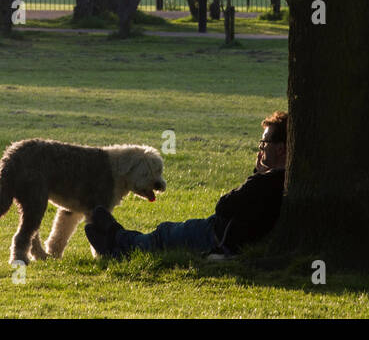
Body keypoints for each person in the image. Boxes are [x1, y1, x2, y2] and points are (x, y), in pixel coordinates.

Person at [85, 111, 287, 259]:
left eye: (264, 144)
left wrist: (259, 174)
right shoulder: (276, 180)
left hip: (214, 236)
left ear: (280, 149)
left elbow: (224, 206)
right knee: (164, 234)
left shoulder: (267, 181)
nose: (260, 150)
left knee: (164, 235)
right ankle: (117, 238)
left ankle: (117, 242)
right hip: (217, 232)